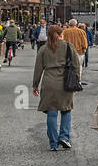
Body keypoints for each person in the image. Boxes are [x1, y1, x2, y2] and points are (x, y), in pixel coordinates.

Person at [33, 23, 82, 151]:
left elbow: (38, 68)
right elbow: (76, 66)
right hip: (65, 82)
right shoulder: (68, 47)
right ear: (61, 34)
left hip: (49, 82)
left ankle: (53, 143)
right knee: (66, 109)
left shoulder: (43, 49)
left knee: (52, 112)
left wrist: (35, 85)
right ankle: (64, 137)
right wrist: (77, 81)